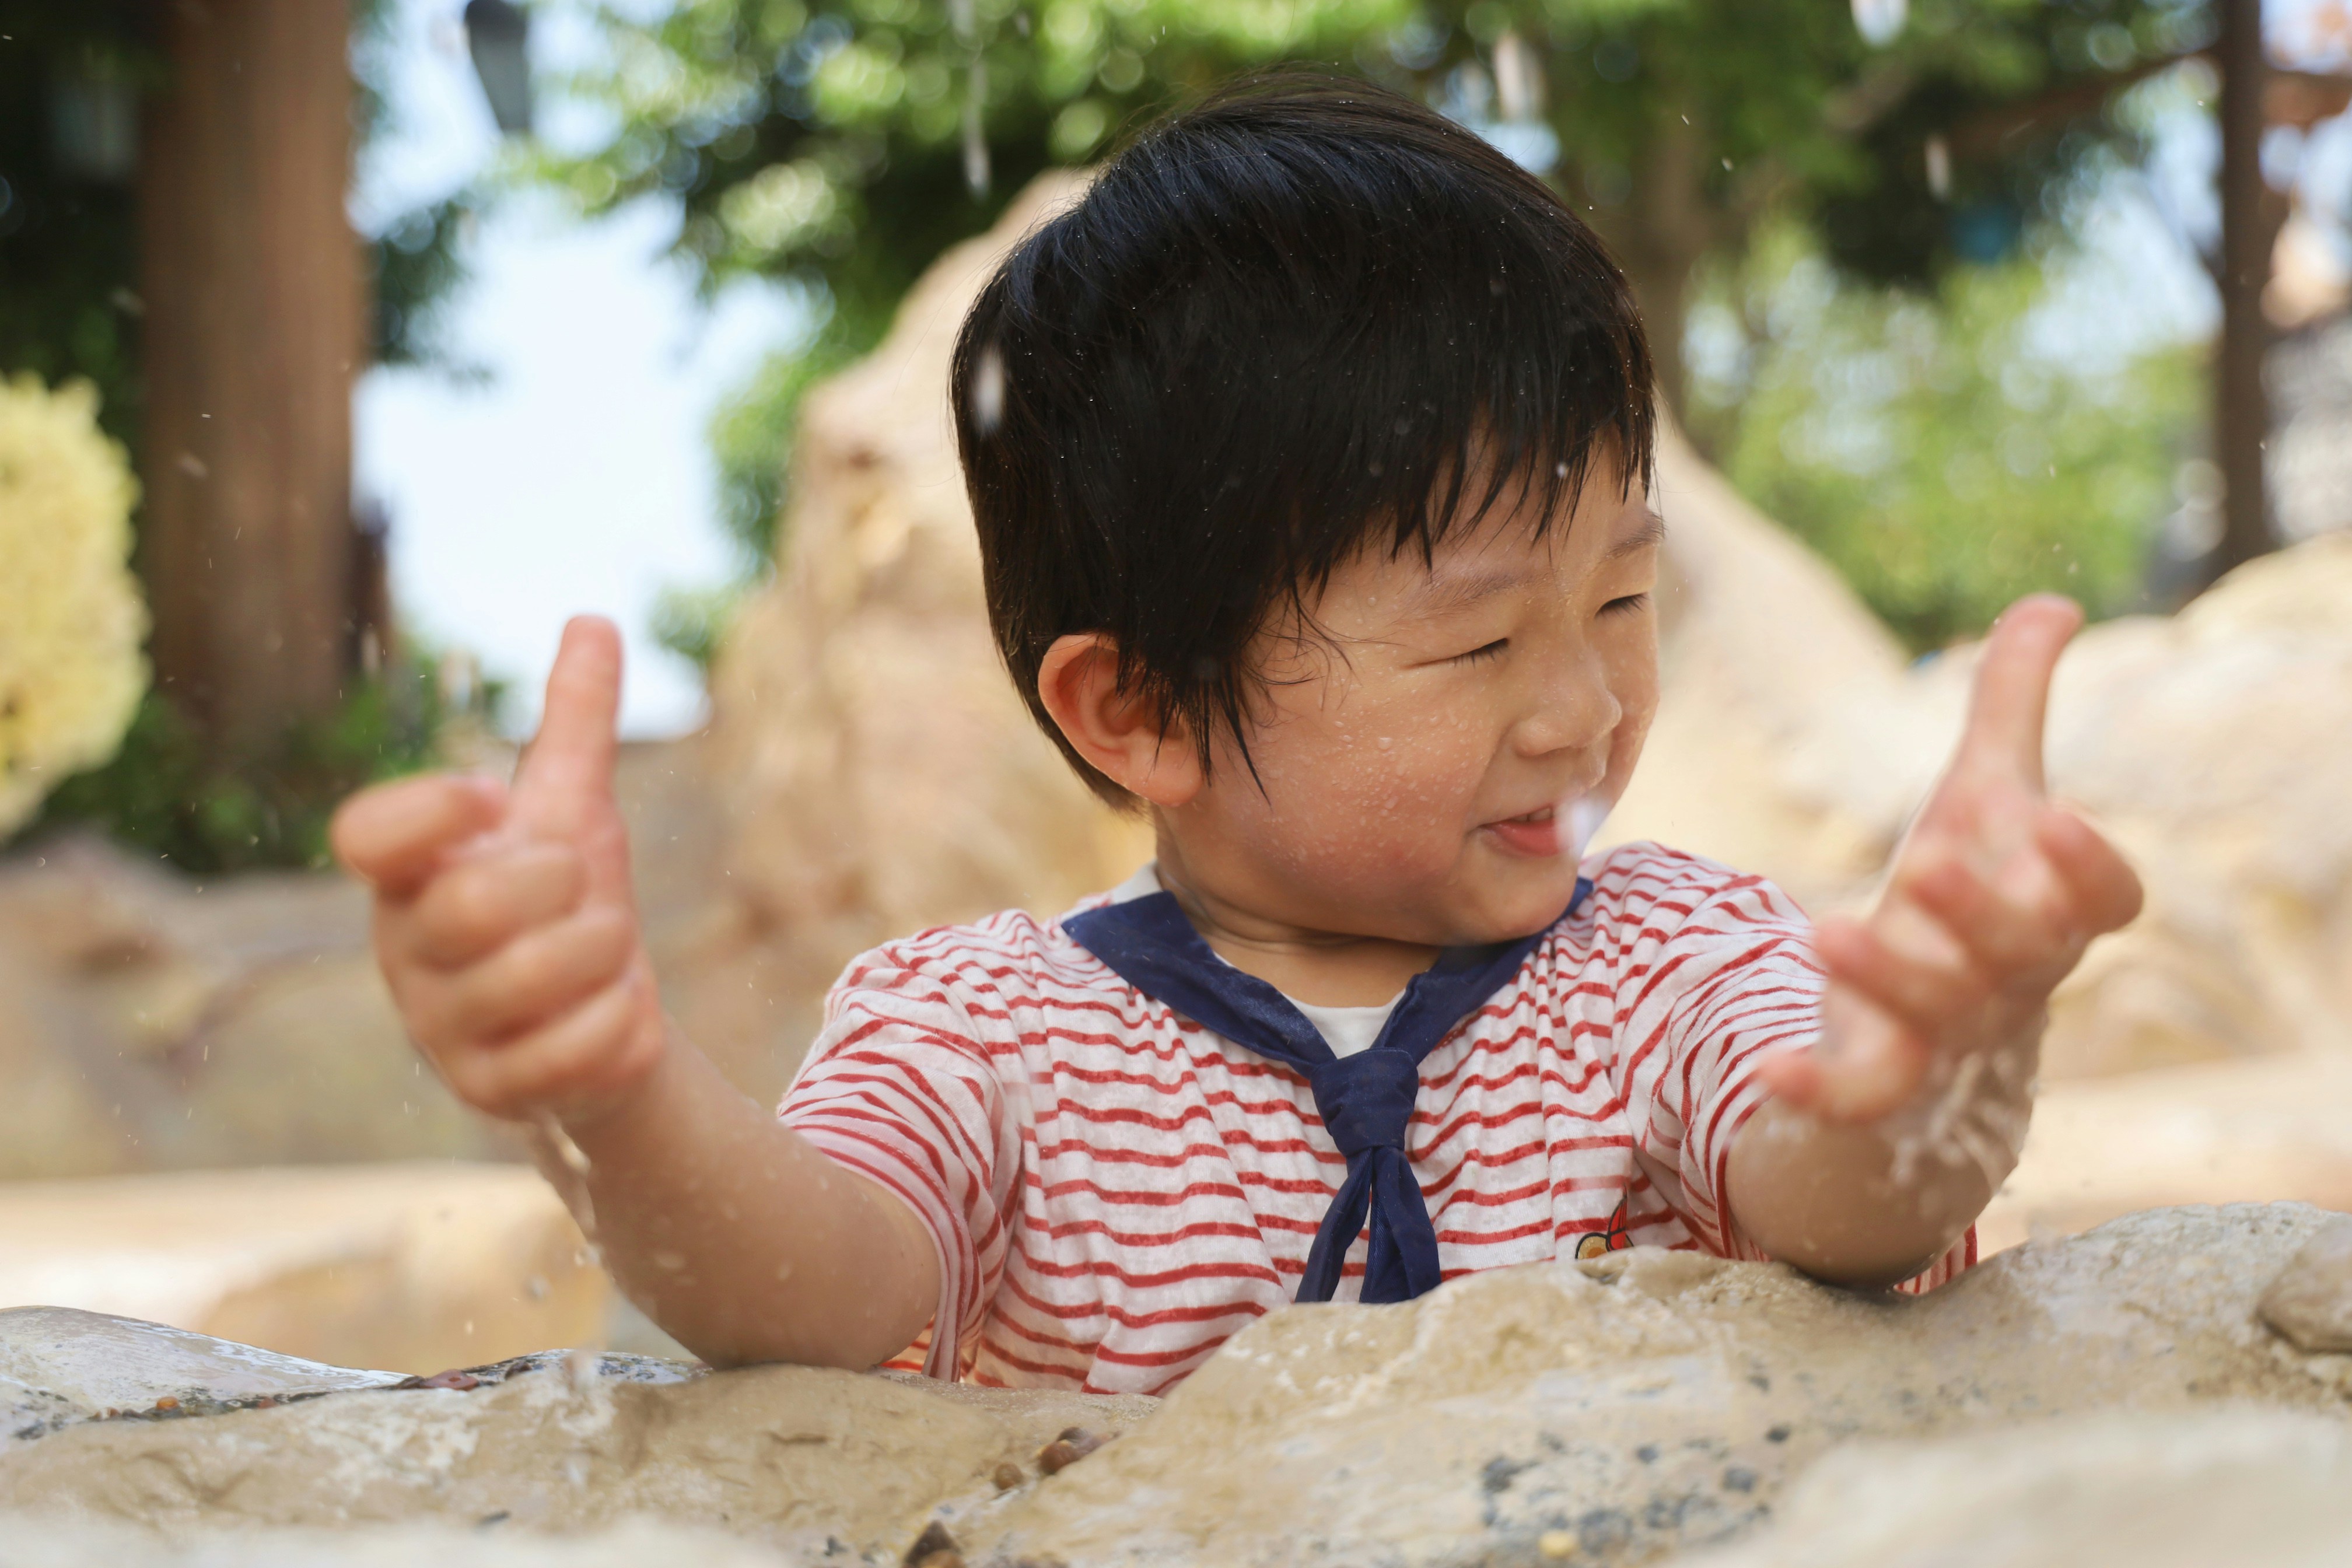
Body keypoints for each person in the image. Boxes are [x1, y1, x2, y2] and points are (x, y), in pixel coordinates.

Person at [331, 79, 2143, 1396]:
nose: (1586, 706)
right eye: (1485, 637)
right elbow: (802, 1293)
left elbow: (1840, 1200)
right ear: (1136, 710)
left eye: (1618, 600)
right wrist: (610, 1098)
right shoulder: (988, 1036)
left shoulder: (1668, 964)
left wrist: (1955, 1055)